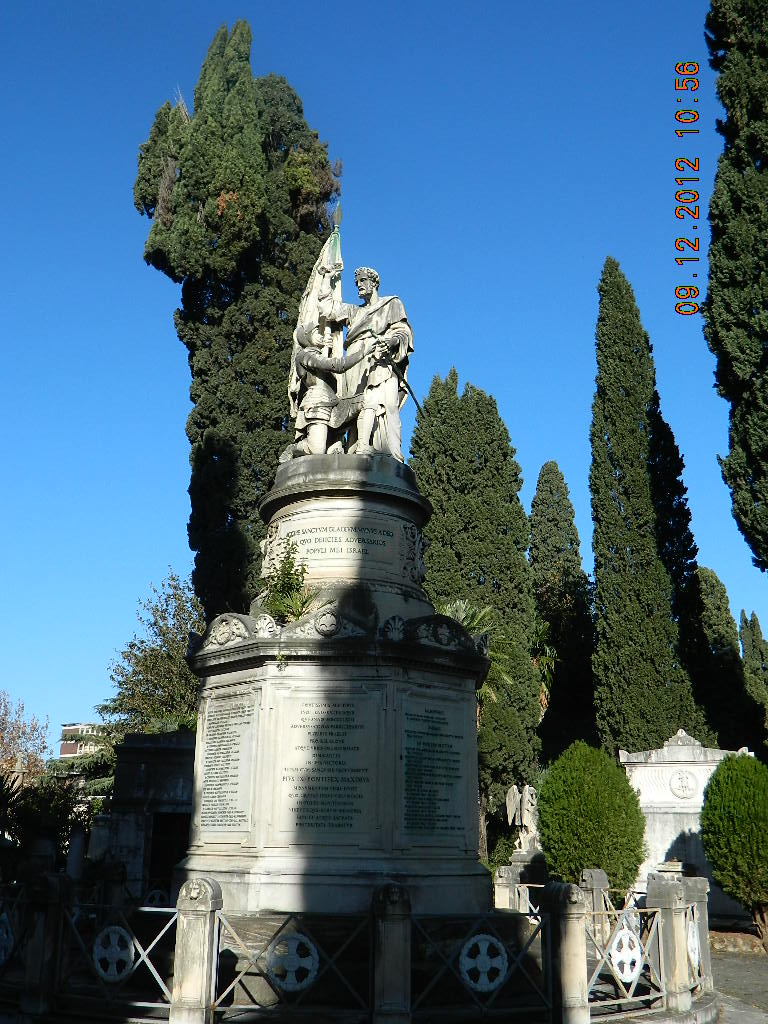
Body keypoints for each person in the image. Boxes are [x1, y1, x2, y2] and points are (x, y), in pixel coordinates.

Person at [331, 267, 414, 462]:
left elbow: (403, 331)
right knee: (354, 406)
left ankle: (391, 454)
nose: (359, 285)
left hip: (380, 363)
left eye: (362, 280)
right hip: (354, 365)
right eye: (357, 282)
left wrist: (391, 342)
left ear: (374, 283)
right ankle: (356, 450)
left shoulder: (391, 304)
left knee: (388, 406)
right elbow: (329, 309)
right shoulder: (354, 312)